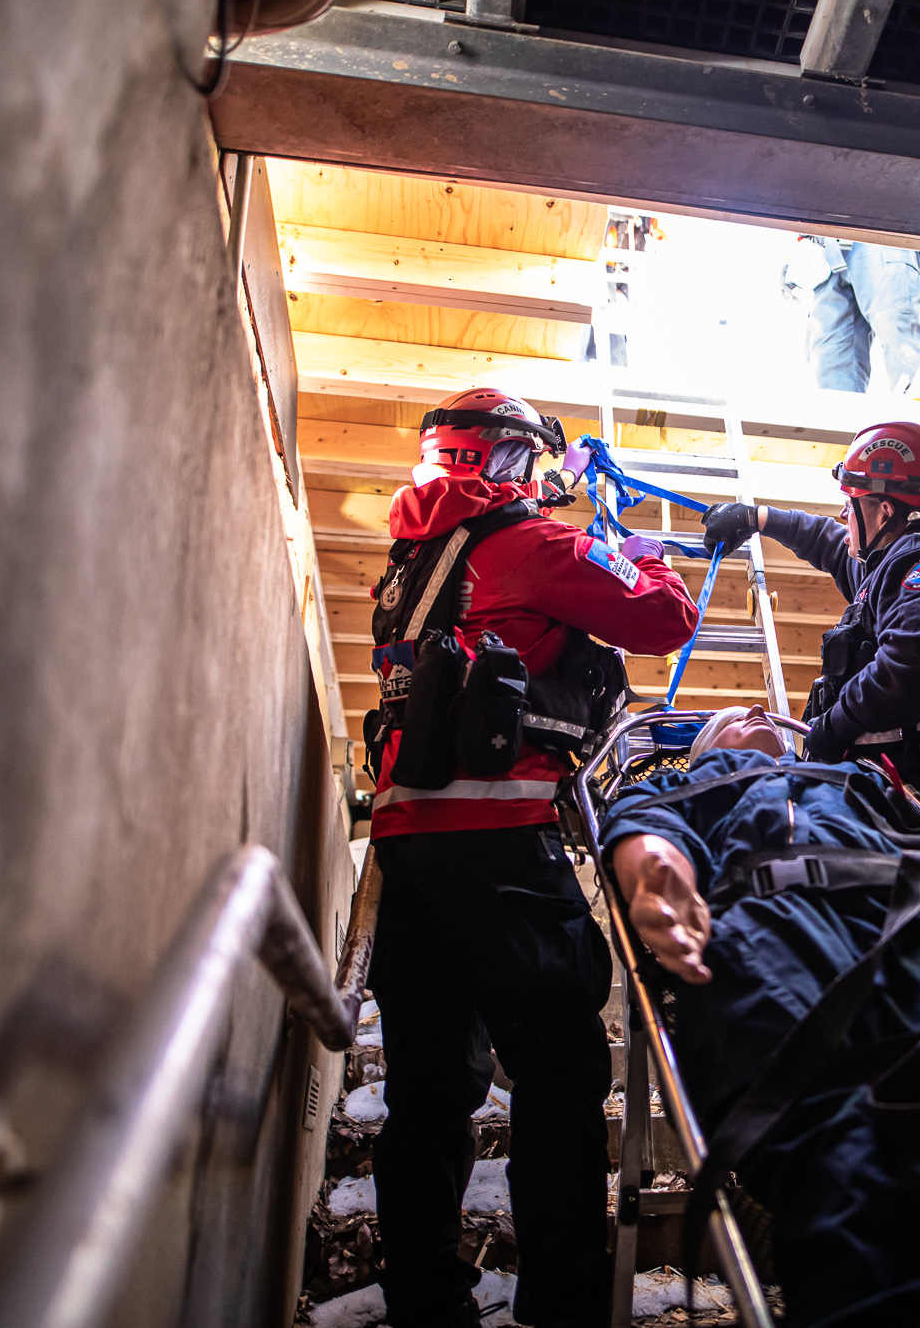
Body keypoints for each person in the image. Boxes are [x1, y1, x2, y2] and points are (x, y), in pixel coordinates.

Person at [364, 387, 699, 1328]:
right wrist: (639, 546)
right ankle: (562, 1307)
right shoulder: (535, 547)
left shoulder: (410, 565)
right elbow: (663, 617)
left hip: (409, 856)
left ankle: (429, 1306)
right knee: (557, 1078)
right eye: (529, 465)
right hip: (504, 847)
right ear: (504, 463)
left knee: (427, 1095)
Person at [602, 704, 920, 1328]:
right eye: (726, 715)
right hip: (779, 932)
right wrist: (653, 876)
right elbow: (648, 837)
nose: (753, 709)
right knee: (850, 1166)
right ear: (699, 750)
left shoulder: (856, 780)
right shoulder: (680, 784)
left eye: (757, 708)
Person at [701, 422, 920, 909]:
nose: (843, 513)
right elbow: (832, 545)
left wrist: (832, 729)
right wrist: (759, 517)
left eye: (851, 502)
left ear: (883, 509)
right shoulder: (909, 557)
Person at [783, 237, 920, 393]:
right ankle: (843, 415)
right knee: (832, 373)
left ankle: (912, 411)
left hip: (878, 232)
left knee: (897, 335)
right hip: (824, 249)